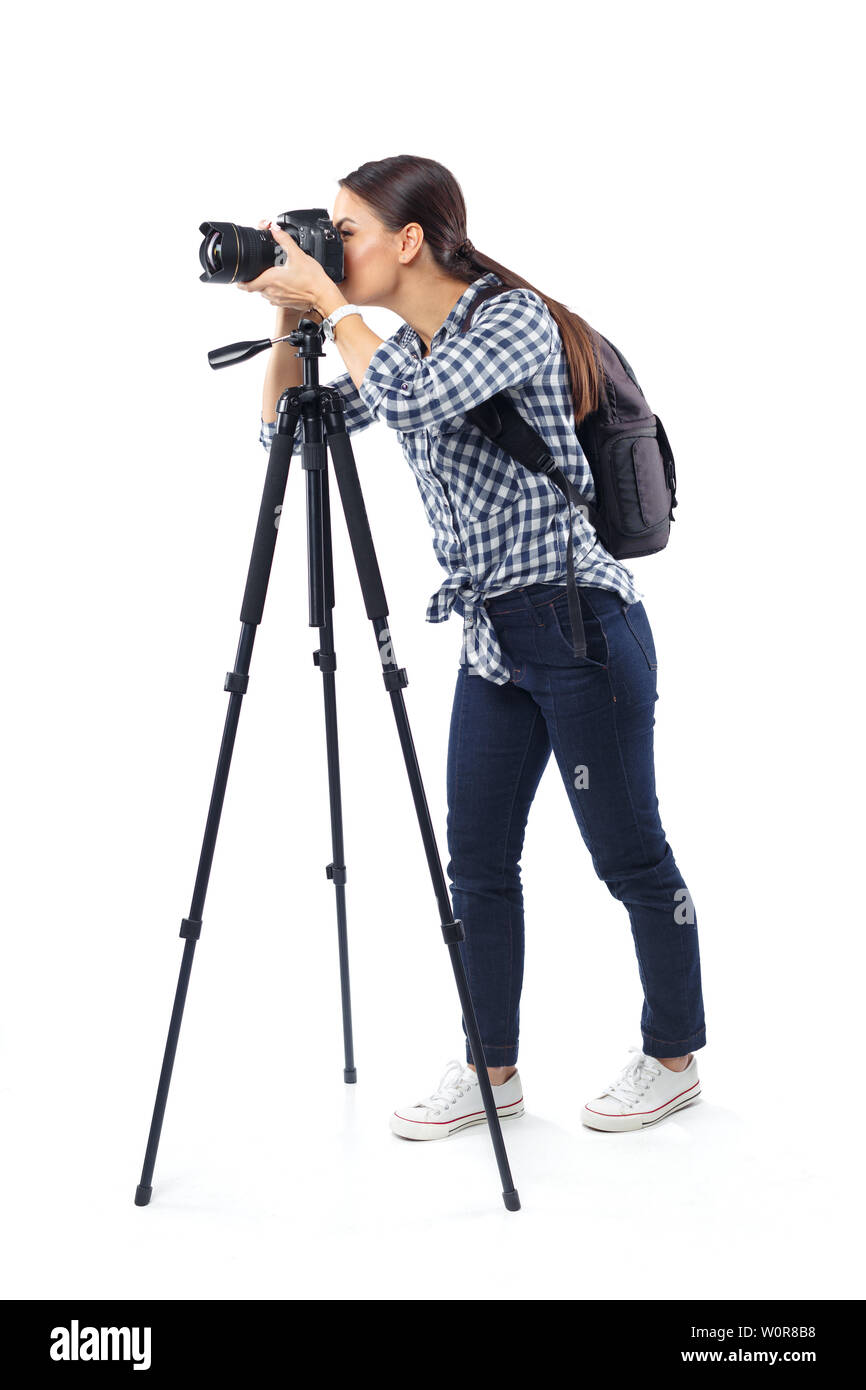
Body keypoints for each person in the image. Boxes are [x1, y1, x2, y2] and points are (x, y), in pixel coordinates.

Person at [244, 155, 706, 1138]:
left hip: (578, 625)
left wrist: (330, 306)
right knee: (478, 864)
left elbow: (413, 403)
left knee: (628, 857)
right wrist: (292, 313)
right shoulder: (398, 341)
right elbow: (292, 432)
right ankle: (489, 1068)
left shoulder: (505, 320)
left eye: (345, 230)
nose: (332, 248)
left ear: (406, 240)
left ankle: (672, 1054)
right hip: (494, 637)